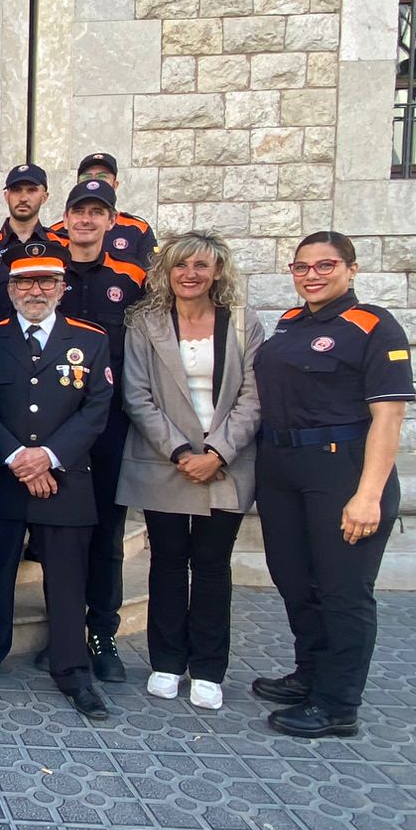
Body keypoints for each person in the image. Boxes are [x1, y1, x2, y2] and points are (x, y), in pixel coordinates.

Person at [251, 231, 414, 739]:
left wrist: (369, 495)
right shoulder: (290, 323)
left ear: (352, 269)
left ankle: (338, 703)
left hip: (340, 469)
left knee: (343, 590)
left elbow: (388, 418)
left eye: (325, 265)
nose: (312, 275)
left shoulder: (374, 326)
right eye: (302, 267)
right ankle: (310, 673)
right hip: (282, 467)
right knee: (295, 579)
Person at [0, 247, 118, 718]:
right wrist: (17, 457)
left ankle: (73, 670)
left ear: (62, 288)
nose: (36, 291)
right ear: (10, 290)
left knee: (67, 582)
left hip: (65, 479)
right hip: (3, 477)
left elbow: (96, 408)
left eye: (46, 282)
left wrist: (48, 457)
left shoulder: (91, 339)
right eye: (25, 283)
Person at [118, 232, 265, 713]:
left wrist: (217, 452)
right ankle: (165, 661)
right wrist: (181, 451)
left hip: (225, 464)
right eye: (180, 266)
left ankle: (207, 668)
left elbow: (254, 398)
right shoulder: (146, 323)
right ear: (166, 272)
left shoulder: (243, 324)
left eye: (201, 265)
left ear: (218, 271)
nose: (190, 274)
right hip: (165, 461)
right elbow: (137, 395)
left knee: (210, 567)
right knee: (165, 561)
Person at [0, 164, 64, 324]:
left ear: (45, 196)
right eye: (16, 190)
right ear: (6, 196)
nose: (23, 198)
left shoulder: (60, 245)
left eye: (31, 190)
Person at [76, 152, 158, 266]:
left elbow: (151, 276)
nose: (93, 182)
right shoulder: (59, 231)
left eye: (102, 177)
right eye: (86, 177)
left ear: (115, 185)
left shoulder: (137, 230)